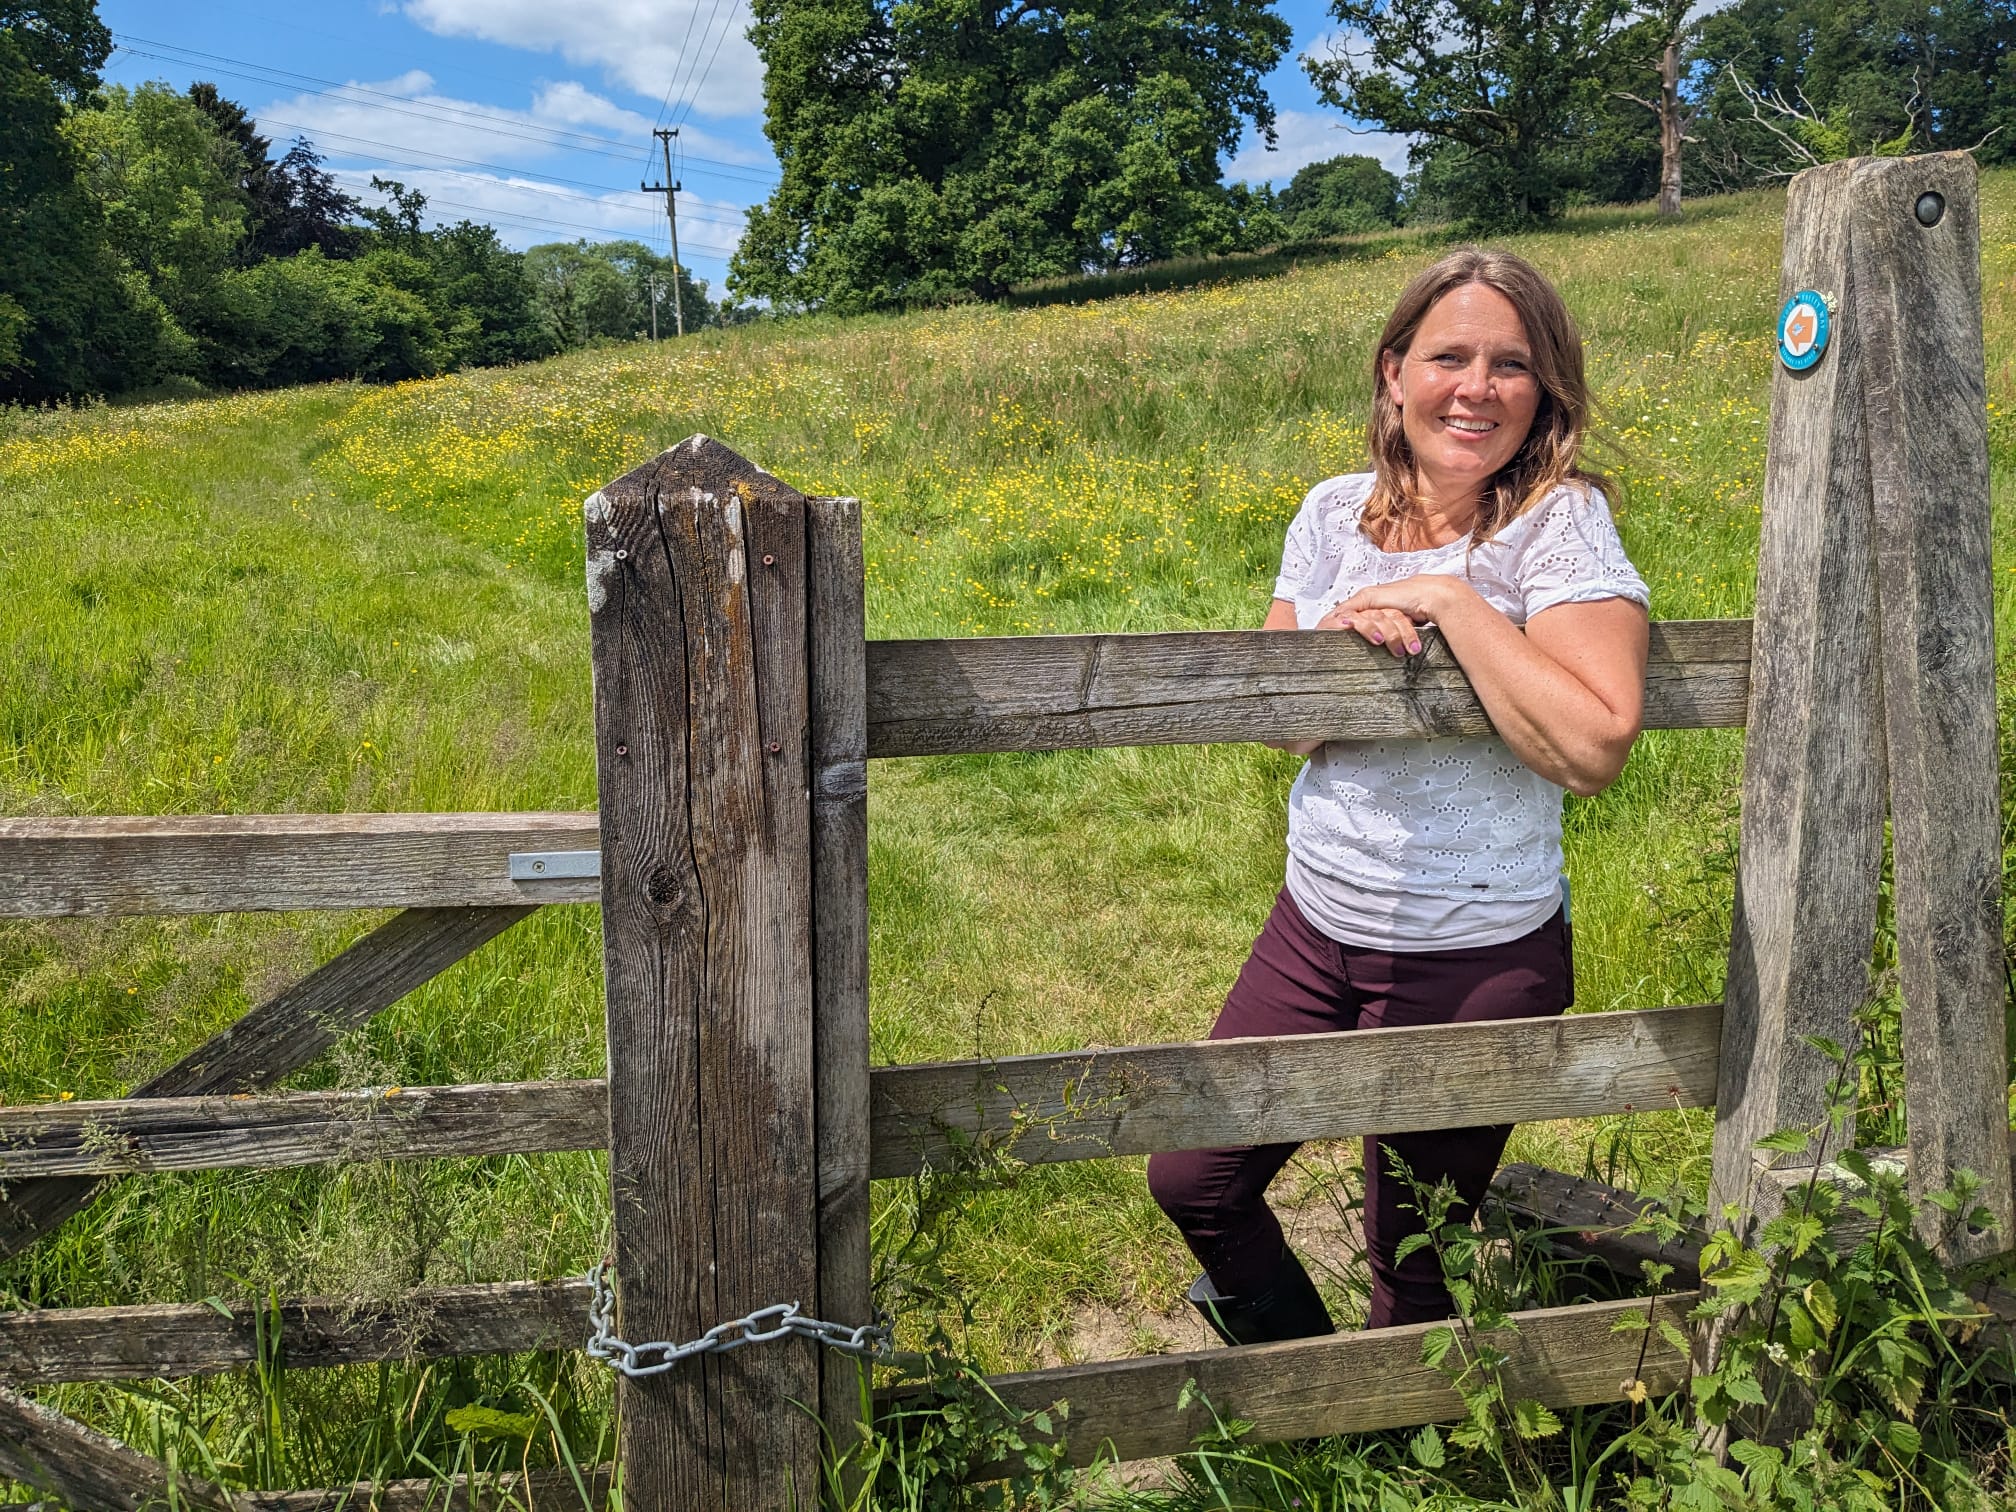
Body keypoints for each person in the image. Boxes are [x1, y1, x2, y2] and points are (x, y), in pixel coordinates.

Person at [1146, 248, 1651, 1344]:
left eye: (1512, 364)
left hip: (1475, 953)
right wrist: (1332, 642)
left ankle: (1382, 1454)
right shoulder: (1330, 513)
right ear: (1392, 373)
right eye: (1449, 356)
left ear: (1546, 387)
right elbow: (1280, 723)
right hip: (1315, 925)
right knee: (1195, 1175)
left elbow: (1595, 741)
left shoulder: (1556, 522)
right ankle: (1300, 1374)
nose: (1478, 387)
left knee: (1411, 1255)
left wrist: (1451, 605)